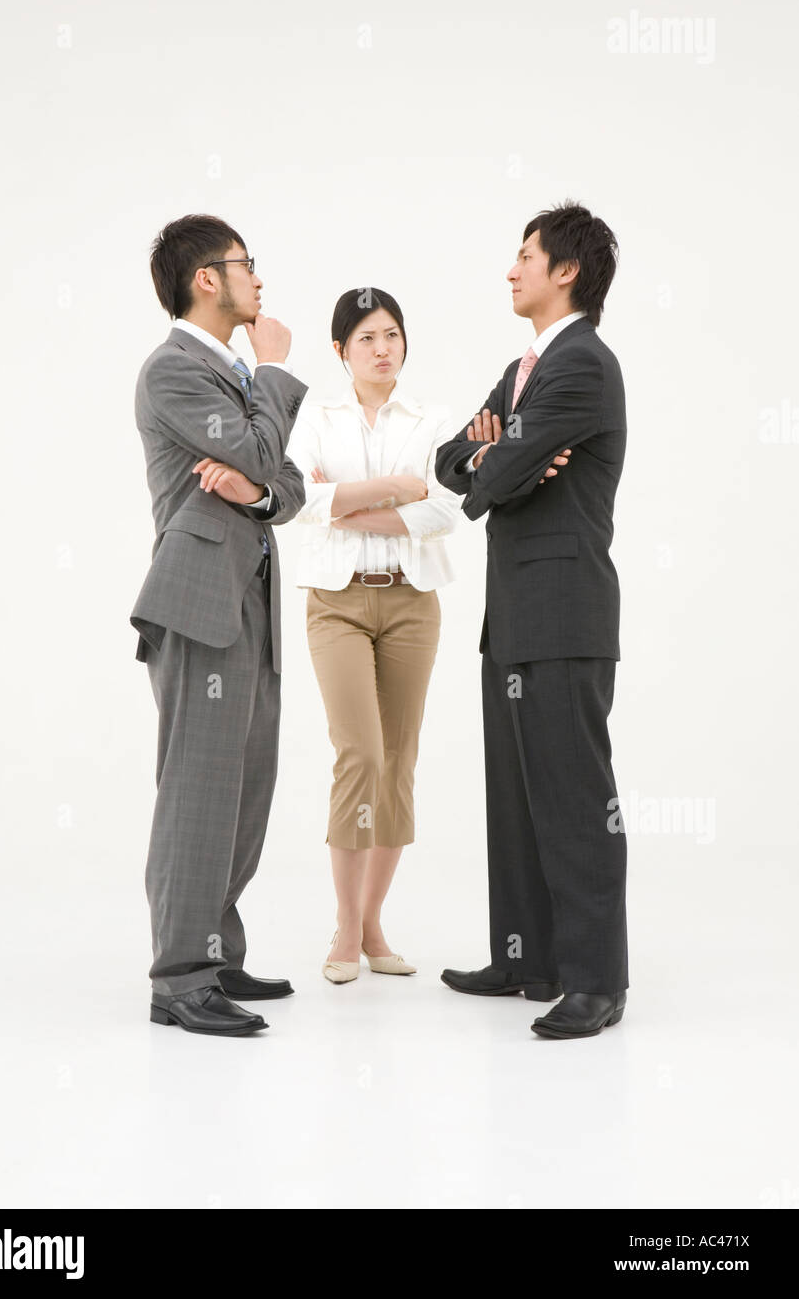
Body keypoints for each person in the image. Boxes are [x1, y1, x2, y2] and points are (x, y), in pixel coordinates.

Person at [435, 202, 629, 1039]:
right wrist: (499, 452)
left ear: (566, 272)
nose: (510, 271)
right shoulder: (526, 368)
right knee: (514, 796)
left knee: (574, 800)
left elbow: (502, 466)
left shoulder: (582, 364)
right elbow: (456, 458)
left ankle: (596, 983)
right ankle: (526, 958)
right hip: (511, 619)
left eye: (524, 257)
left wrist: (502, 455)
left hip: (563, 615)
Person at [130, 214, 307, 1036]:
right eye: (246, 265)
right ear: (209, 278)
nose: (259, 280)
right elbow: (258, 451)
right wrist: (273, 369)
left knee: (246, 786)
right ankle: (180, 979)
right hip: (200, 598)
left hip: (251, 602)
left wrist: (255, 490)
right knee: (199, 789)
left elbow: (285, 481)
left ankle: (217, 951)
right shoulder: (172, 370)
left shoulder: (228, 374)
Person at [286, 288, 461, 983]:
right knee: (358, 753)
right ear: (340, 351)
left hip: (412, 602)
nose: (383, 348)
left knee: (398, 761)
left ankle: (371, 923)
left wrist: (349, 502)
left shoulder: (433, 418)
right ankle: (346, 925)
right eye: (366, 338)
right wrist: (394, 486)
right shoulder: (315, 418)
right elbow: (302, 499)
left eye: (392, 334)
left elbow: (444, 510)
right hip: (336, 603)